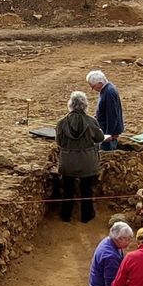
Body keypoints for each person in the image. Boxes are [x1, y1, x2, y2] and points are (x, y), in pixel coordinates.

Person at [54, 90, 103, 223]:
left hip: (68, 161)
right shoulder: (91, 121)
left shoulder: (61, 122)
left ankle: (65, 215)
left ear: (70, 104)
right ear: (85, 105)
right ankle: (86, 216)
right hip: (87, 161)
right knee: (86, 189)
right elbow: (99, 138)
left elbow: (59, 142)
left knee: (67, 190)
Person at [89, 220, 134, 286]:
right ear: (120, 238)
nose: (129, 242)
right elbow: (111, 285)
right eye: (128, 239)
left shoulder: (109, 241)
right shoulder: (110, 256)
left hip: (97, 285)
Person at [88, 70, 125, 150]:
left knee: (107, 153)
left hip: (108, 133)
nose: (92, 89)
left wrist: (109, 134)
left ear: (100, 83)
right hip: (106, 130)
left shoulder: (109, 93)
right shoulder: (106, 89)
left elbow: (112, 115)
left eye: (93, 86)